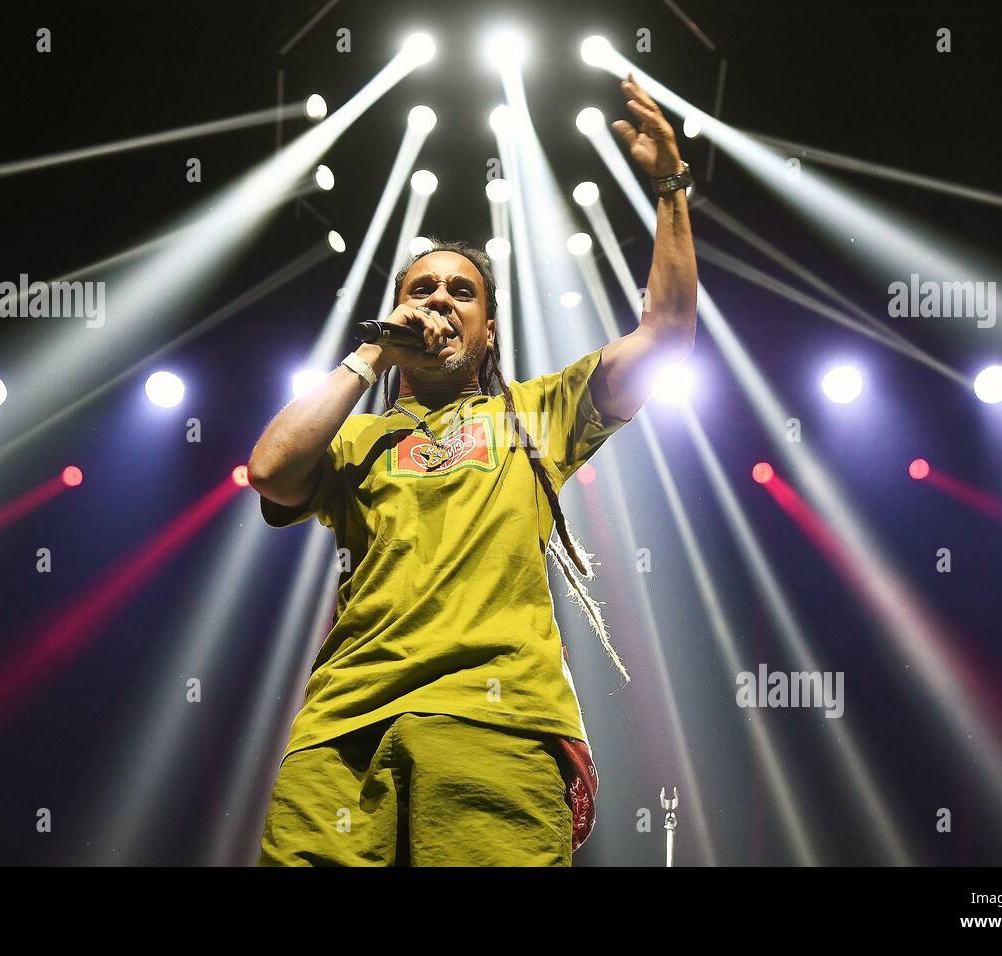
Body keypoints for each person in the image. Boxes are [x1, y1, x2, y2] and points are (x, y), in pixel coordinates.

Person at [249, 71, 697, 866]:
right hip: (341, 731)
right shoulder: (355, 441)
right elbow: (272, 470)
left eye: (462, 292)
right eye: (421, 290)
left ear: (488, 332)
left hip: (496, 723)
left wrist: (669, 183)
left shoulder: (538, 413)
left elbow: (663, 335)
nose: (439, 301)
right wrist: (368, 351)